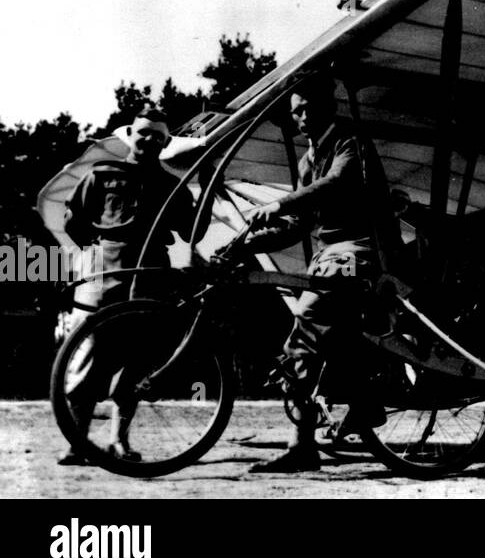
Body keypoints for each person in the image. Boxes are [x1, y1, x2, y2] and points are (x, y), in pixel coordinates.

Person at [224, 74, 396, 472]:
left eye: (306, 107)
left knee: (306, 324)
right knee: (317, 337)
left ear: (328, 105)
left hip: (362, 251)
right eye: (295, 111)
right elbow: (299, 225)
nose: (300, 116)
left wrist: (280, 203)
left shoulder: (349, 140)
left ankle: (304, 445)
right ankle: (364, 400)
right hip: (329, 258)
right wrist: (251, 242)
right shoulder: (307, 160)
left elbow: (339, 183)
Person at [60, 106, 194, 465]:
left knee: (137, 361)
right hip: (104, 272)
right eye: (144, 132)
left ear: (165, 143)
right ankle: (77, 441)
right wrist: (99, 251)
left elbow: (191, 230)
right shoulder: (102, 174)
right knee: (87, 356)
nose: (149, 139)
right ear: (131, 135)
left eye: (158, 136)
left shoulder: (172, 183)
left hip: (150, 273)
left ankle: (118, 441)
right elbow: (75, 219)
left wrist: (204, 182)